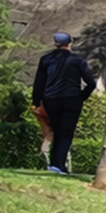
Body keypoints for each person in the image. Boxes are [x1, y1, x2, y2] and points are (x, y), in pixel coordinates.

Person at [32, 32, 95, 173]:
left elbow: (39, 83)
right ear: (70, 43)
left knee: (57, 129)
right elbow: (91, 83)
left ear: (55, 43)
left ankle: (55, 164)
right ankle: (58, 165)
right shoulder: (77, 60)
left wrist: (36, 102)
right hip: (71, 99)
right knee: (66, 132)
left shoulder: (46, 59)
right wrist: (81, 97)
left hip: (51, 99)